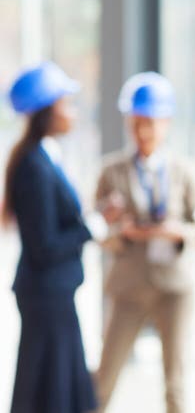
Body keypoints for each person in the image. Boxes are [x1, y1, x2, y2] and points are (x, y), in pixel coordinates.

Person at [93, 72, 195, 413]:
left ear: (166, 123)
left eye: (151, 123)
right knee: (105, 376)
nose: (143, 132)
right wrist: (121, 233)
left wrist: (178, 233)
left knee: (175, 380)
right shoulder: (110, 172)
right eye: (136, 123)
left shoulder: (184, 171)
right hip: (128, 285)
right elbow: (96, 230)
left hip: (174, 288)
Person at [3, 62, 96, 413]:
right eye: (65, 104)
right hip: (46, 295)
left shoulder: (43, 157)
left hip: (53, 293)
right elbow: (44, 246)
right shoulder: (33, 165)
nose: (72, 113)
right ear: (46, 111)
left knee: (57, 388)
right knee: (47, 392)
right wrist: (92, 228)